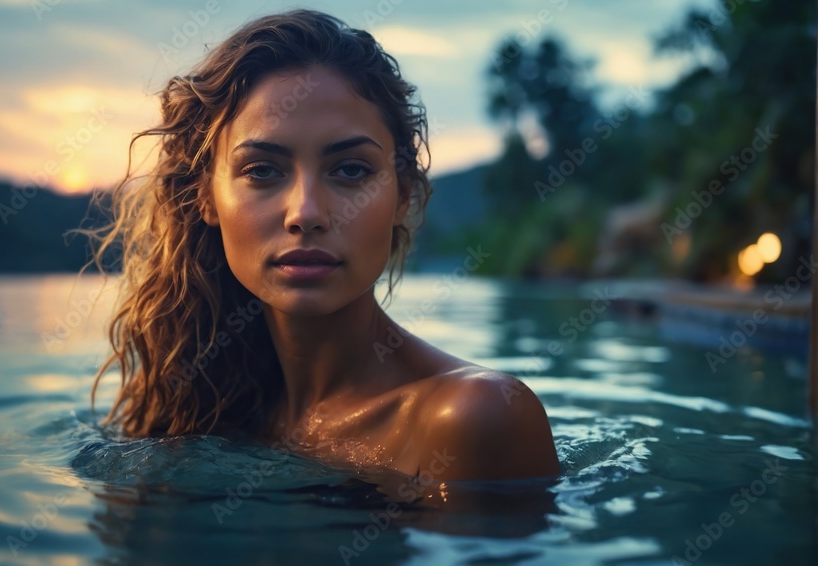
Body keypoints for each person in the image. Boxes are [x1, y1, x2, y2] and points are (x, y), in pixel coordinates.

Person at [84, 9, 559, 482]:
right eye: (262, 170)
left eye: (351, 170)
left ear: (403, 197)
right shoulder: (199, 403)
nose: (306, 212)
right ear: (206, 197)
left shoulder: (473, 417)